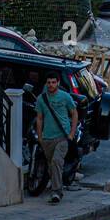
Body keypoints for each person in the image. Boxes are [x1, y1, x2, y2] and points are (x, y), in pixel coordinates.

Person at [35, 73, 78, 203]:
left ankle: (56, 192)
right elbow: (40, 118)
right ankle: (56, 187)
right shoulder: (41, 99)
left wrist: (71, 133)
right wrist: (40, 137)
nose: (51, 85)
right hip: (47, 138)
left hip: (62, 137)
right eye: (49, 82)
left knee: (56, 161)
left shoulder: (65, 97)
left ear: (58, 83)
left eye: (53, 82)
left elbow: (74, 113)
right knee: (51, 165)